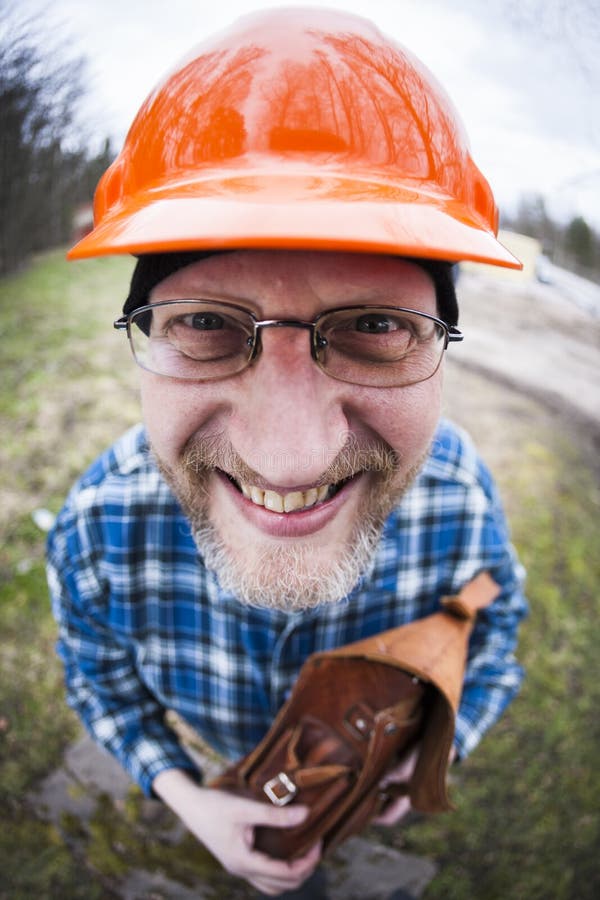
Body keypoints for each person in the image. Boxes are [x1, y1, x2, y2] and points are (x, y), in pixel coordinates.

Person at [47, 7, 527, 898]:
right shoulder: (96, 528)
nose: (291, 458)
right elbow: (99, 678)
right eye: (206, 323)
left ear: (442, 343)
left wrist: (434, 747)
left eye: (376, 326)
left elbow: (495, 630)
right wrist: (187, 796)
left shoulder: (462, 497)